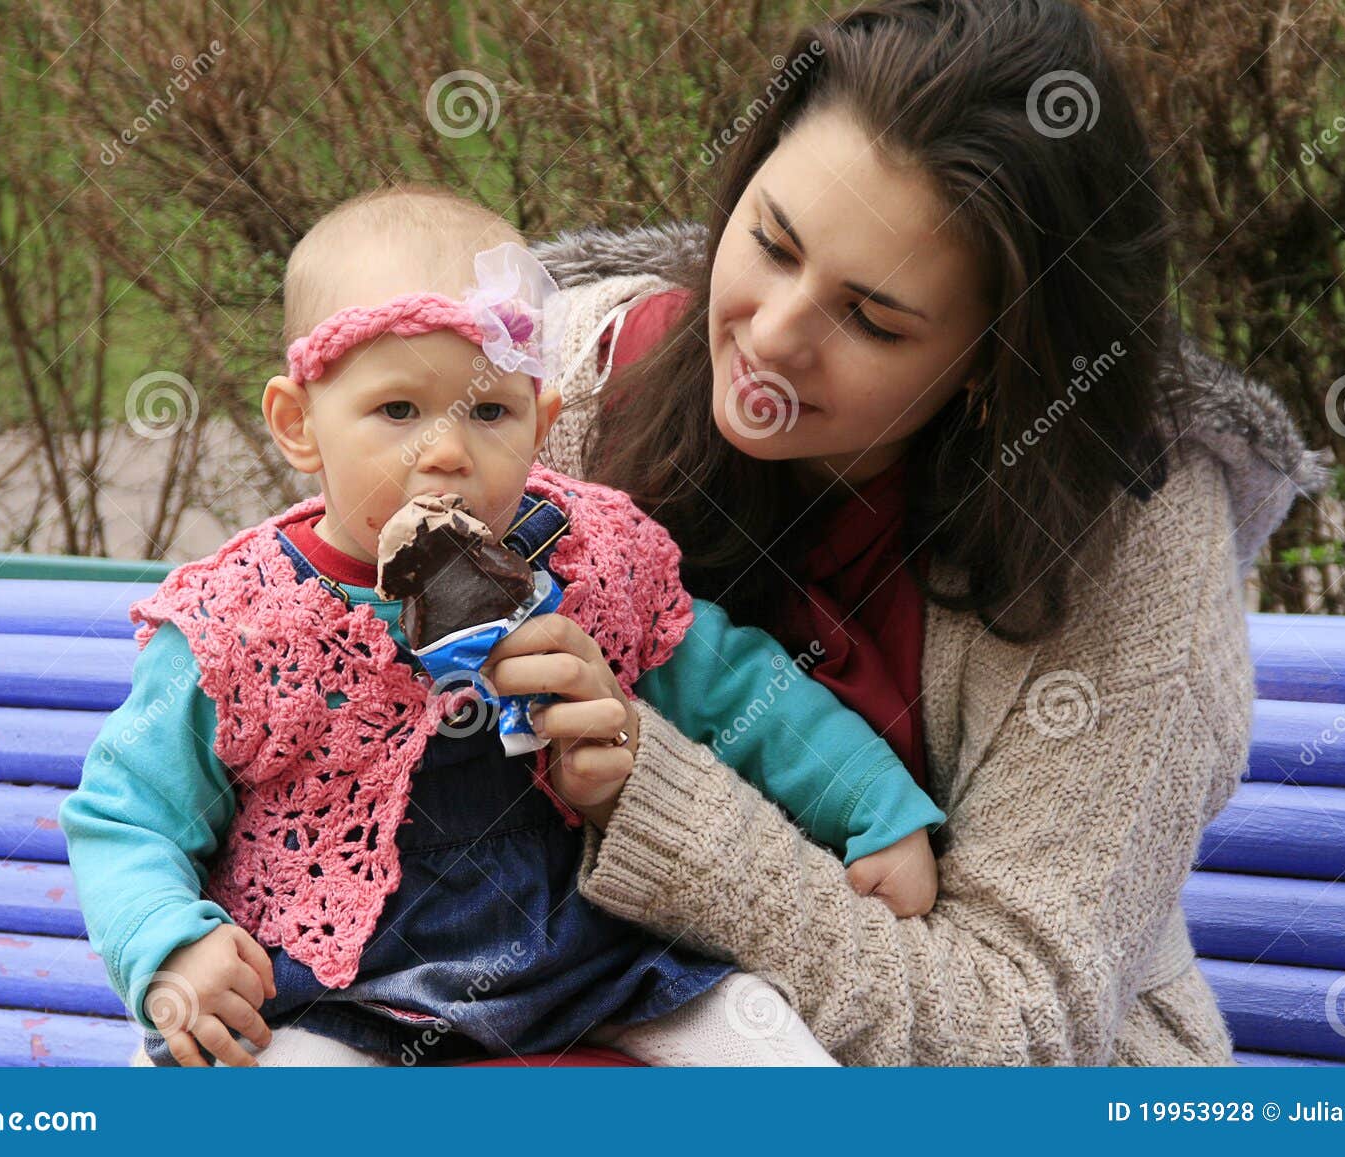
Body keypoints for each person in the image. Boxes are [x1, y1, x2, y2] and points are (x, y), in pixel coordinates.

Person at [500, 0, 1325, 1065]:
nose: (774, 336)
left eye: (873, 319)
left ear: (999, 359)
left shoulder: (1129, 543)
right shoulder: (559, 383)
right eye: (771, 243)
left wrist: (651, 796)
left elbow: (1009, 1034)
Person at [58, 184, 952, 1068]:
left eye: (489, 411)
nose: (447, 449)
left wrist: (875, 807)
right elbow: (129, 810)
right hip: (341, 989)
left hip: (591, 958)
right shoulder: (242, 623)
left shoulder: (587, 557)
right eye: (398, 411)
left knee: (758, 1025)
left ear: (540, 422)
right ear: (300, 424)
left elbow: (744, 690)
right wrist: (172, 946)